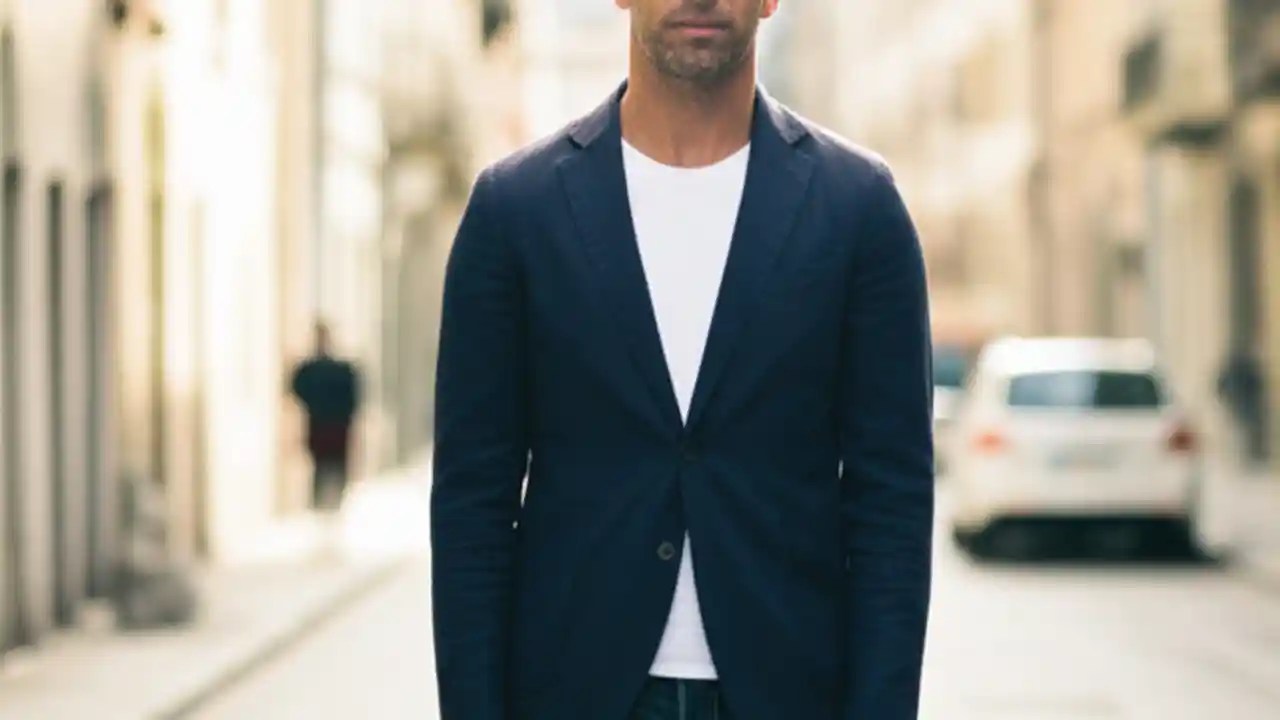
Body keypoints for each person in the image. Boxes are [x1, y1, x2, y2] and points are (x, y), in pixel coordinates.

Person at [431, 1, 935, 718]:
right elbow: (471, 505)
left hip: (789, 691)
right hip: (571, 691)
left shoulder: (860, 208)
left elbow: (893, 504)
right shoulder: (515, 210)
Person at [290, 323, 361, 519]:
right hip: (322, 423)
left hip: (334, 423)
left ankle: (333, 504)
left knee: (335, 465)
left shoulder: (337, 370)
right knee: (323, 464)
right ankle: (322, 506)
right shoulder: (313, 369)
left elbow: (354, 395)